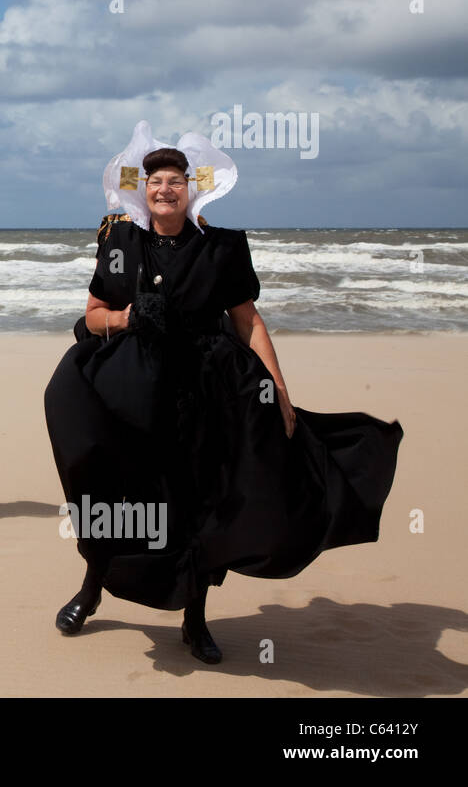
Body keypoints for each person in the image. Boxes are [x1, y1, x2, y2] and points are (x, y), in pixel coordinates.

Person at [43, 121, 402, 664]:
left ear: (192, 188)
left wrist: (279, 389)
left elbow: (248, 322)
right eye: (155, 180)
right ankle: (92, 588)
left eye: (175, 180)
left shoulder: (223, 249)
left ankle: (195, 620)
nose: (164, 188)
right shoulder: (120, 242)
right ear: (142, 188)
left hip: (210, 393)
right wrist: (127, 316)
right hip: (135, 389)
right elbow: (92, 316)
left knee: (201, 500)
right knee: (121, 490)